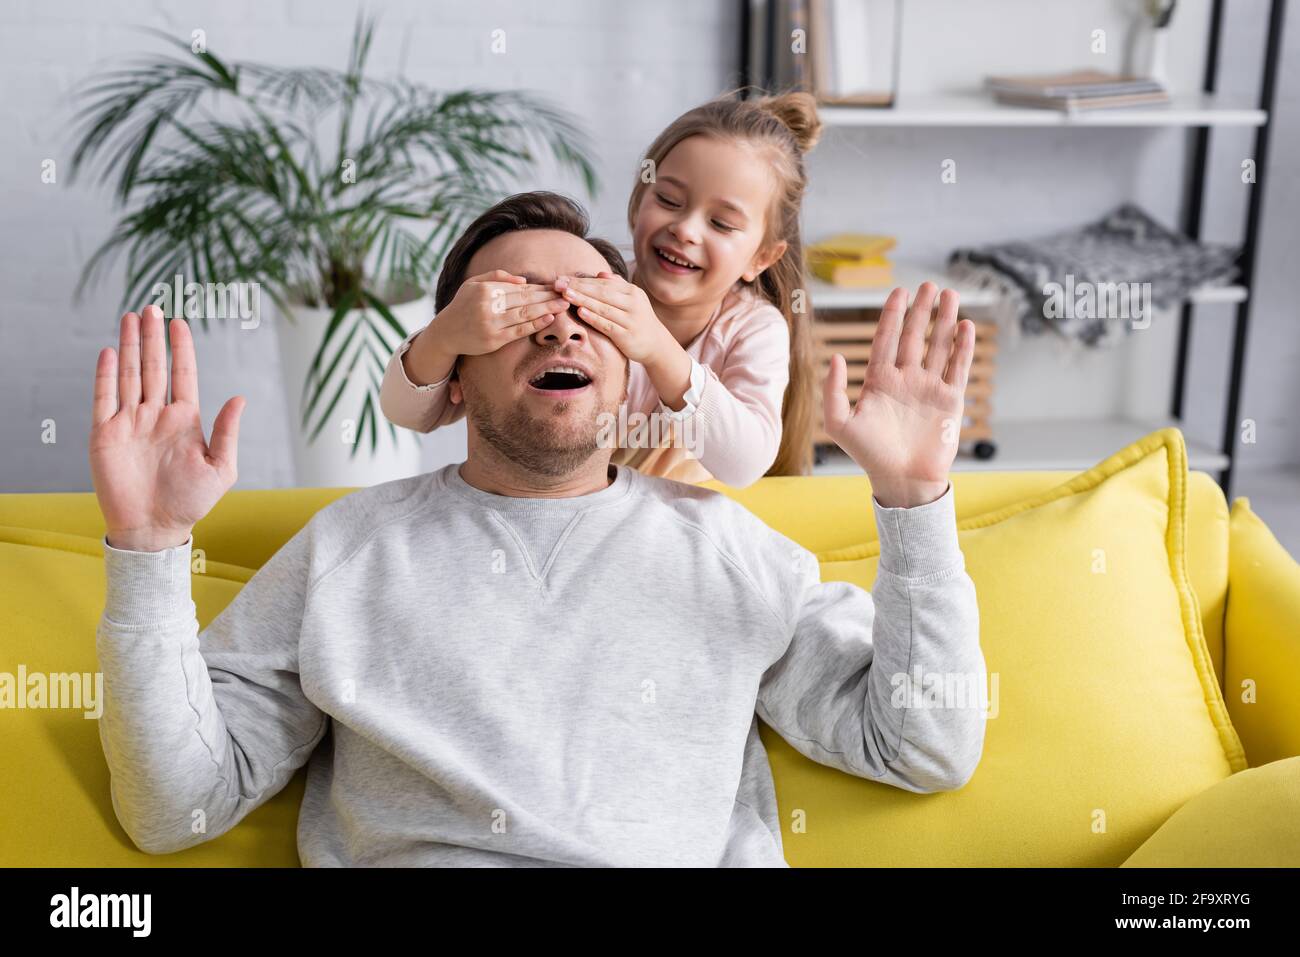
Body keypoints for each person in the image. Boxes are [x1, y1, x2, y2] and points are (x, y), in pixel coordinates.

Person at [89, 191, 984, 867]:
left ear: (630, 364)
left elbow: (923, 746)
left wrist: (912, 502)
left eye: (591, 303)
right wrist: (150, 546)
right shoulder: (347, 549)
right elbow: (176, 808)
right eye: (512, 306)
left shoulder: (727, 547)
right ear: (453, 375)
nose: (559, 323)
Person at [379, 91, 824, 486]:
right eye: (668, 200)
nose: (685, 229)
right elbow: (409, 412)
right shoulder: (587, 286)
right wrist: (447, 335)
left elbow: (745, 462)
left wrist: (655, 347)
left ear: (761, 258)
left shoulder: (752, 327)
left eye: (721, 223)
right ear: (638, 203)